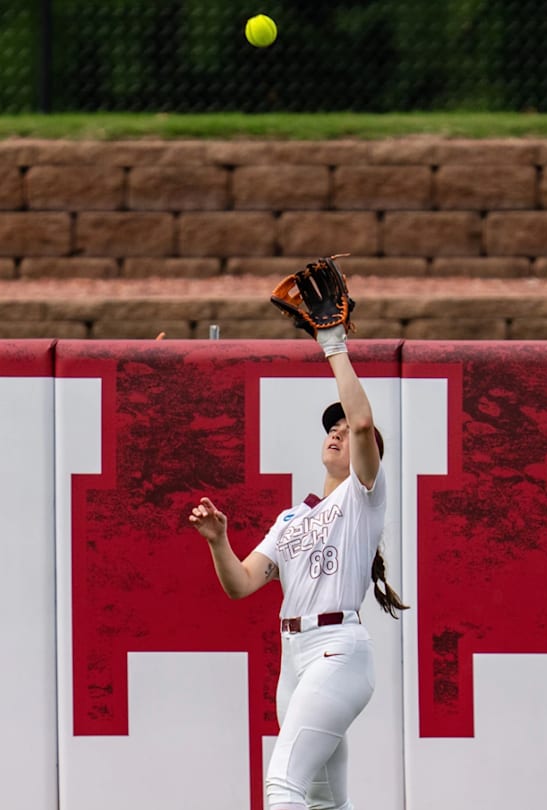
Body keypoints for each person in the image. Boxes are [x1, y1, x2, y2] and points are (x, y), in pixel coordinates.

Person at [189, 306, 409, 810]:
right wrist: (218, 541)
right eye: (330, 428)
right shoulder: (291, 519)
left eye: (347, 433)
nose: (337, 432)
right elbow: (241, 584)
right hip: (295, 661)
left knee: (282, 786)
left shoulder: (362, 498)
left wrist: (333, 345)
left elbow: (363, 421)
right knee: (322, 800)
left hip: (337, 650)